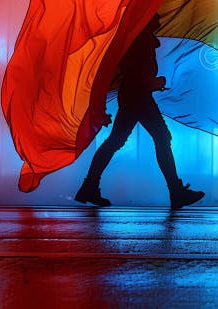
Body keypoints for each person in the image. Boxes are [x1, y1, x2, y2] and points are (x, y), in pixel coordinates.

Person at [75, 14, 205, 210]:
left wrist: (151, 83)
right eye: (154, 15)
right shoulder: (138, 41)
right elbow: (135, 72)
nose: (159, 18)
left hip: (136, 94)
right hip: (138, 95)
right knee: (159, 137)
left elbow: (133, 71)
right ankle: (176, 191)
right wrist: (154, 82)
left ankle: (90, 186)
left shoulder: (138, 39)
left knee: (119, 140)